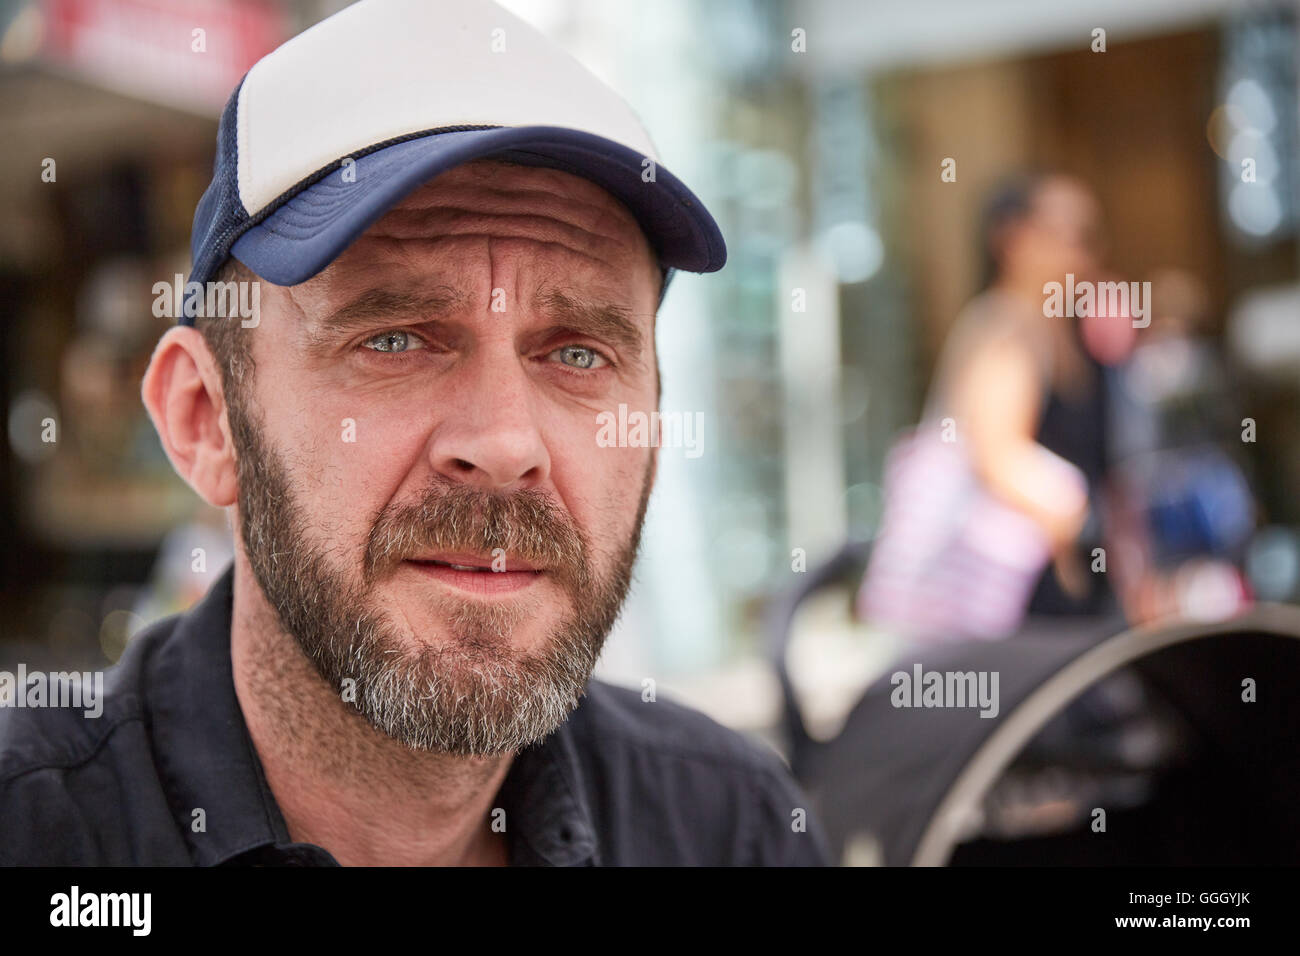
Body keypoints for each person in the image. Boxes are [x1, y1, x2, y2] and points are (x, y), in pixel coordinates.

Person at [0, 0, 829, 866]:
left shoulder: (730, 829)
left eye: (577, 353)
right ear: (206, 420)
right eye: (395, 340)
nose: (506, 444)